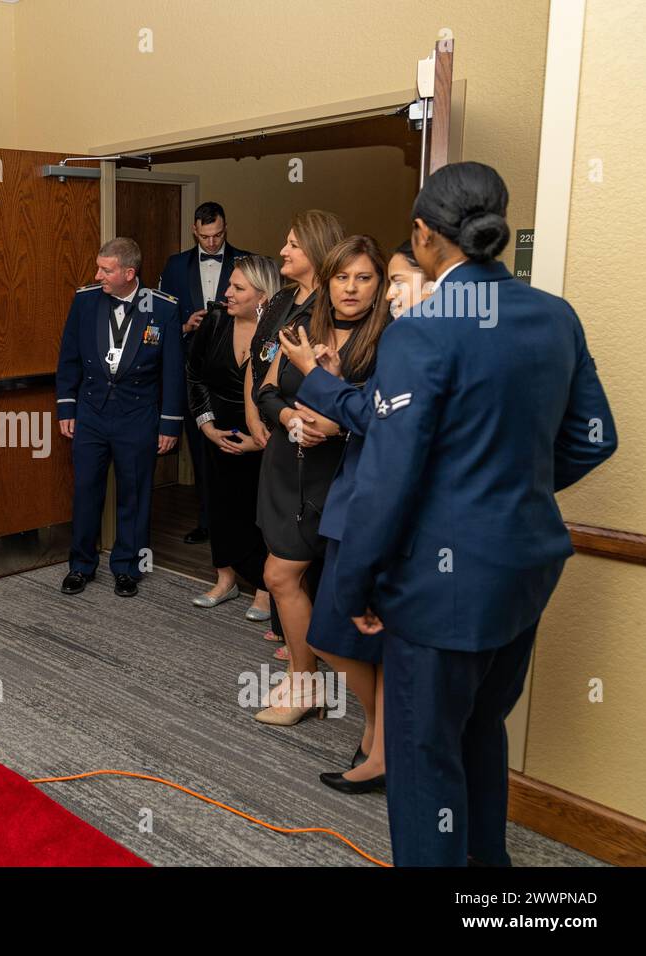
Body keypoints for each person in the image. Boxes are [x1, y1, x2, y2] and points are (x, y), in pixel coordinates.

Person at [331, 162, 616, 866]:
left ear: (425, 237)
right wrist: (511, 495)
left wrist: (355, 584)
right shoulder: (556, 314)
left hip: (440, 585)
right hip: (524, 567)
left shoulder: (422, 330)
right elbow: (594, 437)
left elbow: (389, 479)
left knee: (426, 757)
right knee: (482, 731)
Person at [278, 240, 429, 793]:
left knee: (338, 634)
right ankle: (380, 739)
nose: (383, 292)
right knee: (349, 637)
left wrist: (320, 379)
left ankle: (384, 743)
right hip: (357, 497)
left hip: (377, 507)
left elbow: (378, 419)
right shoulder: (409, 339)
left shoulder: (413, 343)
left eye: (389, 280)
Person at [254, 235, 390, 725]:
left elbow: (380, 414)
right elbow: (266, 390)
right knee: (285, 575)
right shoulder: (299, 327)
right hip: (287, 469)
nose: (350, 288)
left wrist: (330, 422)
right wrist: (291, 417)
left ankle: (324, 692)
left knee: (285, 575)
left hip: (341, 478)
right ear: (327, 281)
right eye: (341, 277)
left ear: (380, 286)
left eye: (364, 278)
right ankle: (309, 682)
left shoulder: (388, 342)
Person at [56, 237, 184, 598]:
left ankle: (128, 567)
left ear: (130, 273)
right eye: (99, 267)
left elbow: (173, 371)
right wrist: (67, 407)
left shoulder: (163, 308)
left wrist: (169, 424)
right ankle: (80, 566)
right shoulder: (85, 301)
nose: (98, 275)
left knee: (136, 494)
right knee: (85, 492)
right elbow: (68, 357)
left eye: (106, 270)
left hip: (137, 416)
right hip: (92, 414)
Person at [243, 212, 345, 655]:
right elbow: (261, 365)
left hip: (318, 456)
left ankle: (314, 651)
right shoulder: (282, 300)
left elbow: (331, 385)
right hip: (281, 442)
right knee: (281, 551)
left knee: (300, 560)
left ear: (318, 251)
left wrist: (299, 419)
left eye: (292, 245)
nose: (282, 252)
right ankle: (295, 636)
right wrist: (261, 417)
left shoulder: (334, 309)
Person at [185, 255, 278, 620]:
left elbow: (285, 392)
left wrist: (261, 438)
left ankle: (264, 588)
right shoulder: (216, 321)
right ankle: (225, 580)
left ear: (263, 296)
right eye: (230, 285)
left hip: (264, 436)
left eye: (238, 288)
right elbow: (195, 375)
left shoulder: (277, 333)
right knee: (219, 506)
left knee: (259, 513)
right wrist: (207, 426)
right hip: (218, 430)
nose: (227, 293)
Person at [159, 201, 252, 545]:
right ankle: (206, 520)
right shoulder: (173, 266)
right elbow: (161, 319)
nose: (213, 243)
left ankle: (241, 522)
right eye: (206, 236)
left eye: (219, 235)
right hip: (190, 371)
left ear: (226, 229)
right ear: (194, 231)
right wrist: (185, 325)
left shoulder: (246, 263)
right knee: (200, 449)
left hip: (233, 374)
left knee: (236, 446)